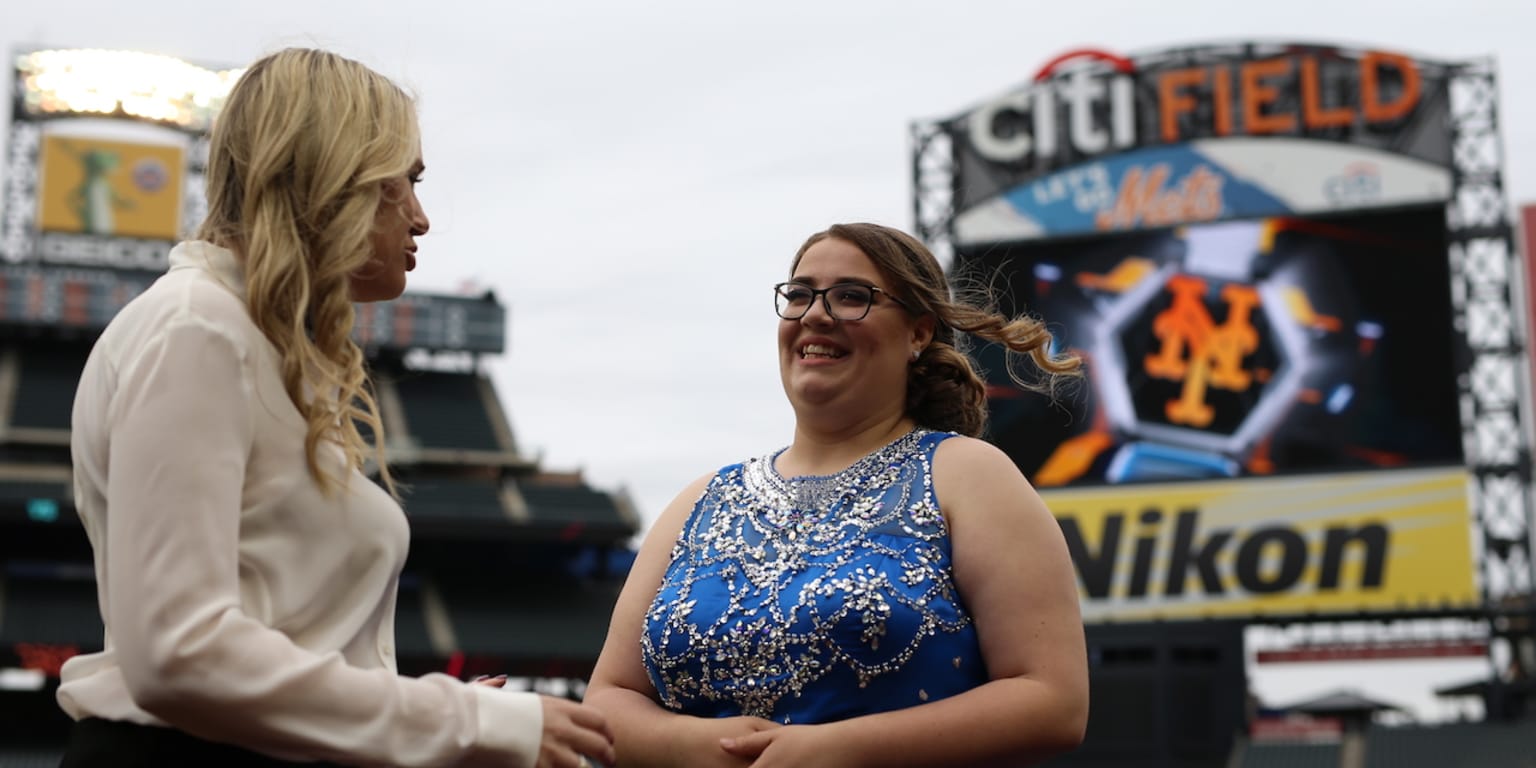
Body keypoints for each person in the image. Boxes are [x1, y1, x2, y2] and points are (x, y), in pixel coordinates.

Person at [56, 48, 614, 768]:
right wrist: (459, 718)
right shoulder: (197, 329)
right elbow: (178, 653)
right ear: (333, 174)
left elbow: (262, 649)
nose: (421, 218)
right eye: (405, 182)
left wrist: (411, 718)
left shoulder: (253, 340)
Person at [585, 222, 1090, 767]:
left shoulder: (967, 475)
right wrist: (702, 747)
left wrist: (839, 749)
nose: (815, 314)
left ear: (918, 333)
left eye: (852, 297)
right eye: (798, 296)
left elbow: (1052, 699)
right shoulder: (700, 500)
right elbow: (609, 697)